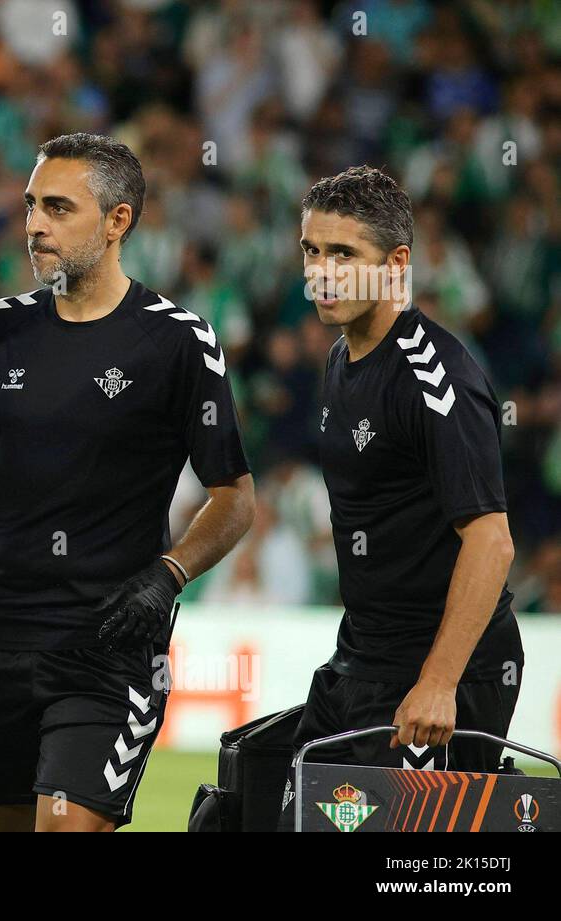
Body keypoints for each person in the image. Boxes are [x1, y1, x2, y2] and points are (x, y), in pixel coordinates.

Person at [0, 134, 255, 832]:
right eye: (30, 205)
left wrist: (168, 574)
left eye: (57, 207)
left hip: (107, 643)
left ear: (117, 221)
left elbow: (234, 495)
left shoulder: (178, 341)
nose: (34, 224)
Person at [279, 166, 523, 826]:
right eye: (311, 250)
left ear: (396, 263)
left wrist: (439, 682)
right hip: (361, 660)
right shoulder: (339, 360)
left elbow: (491, 539)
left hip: (435, 676)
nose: (321, 272)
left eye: (343, 254)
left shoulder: (436, 377)